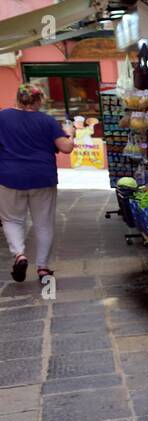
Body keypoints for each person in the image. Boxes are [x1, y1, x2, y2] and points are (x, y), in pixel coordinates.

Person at [0, 83, 73, 282]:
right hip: (42, 177)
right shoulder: (47, 121)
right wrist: (70, 132)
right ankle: (42, 267)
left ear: (17, 98)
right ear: (39, 100)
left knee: (12, 220)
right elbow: (66, 148)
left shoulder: (2, 117)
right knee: (43, 223)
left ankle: (20, 255)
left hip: (9, 177)